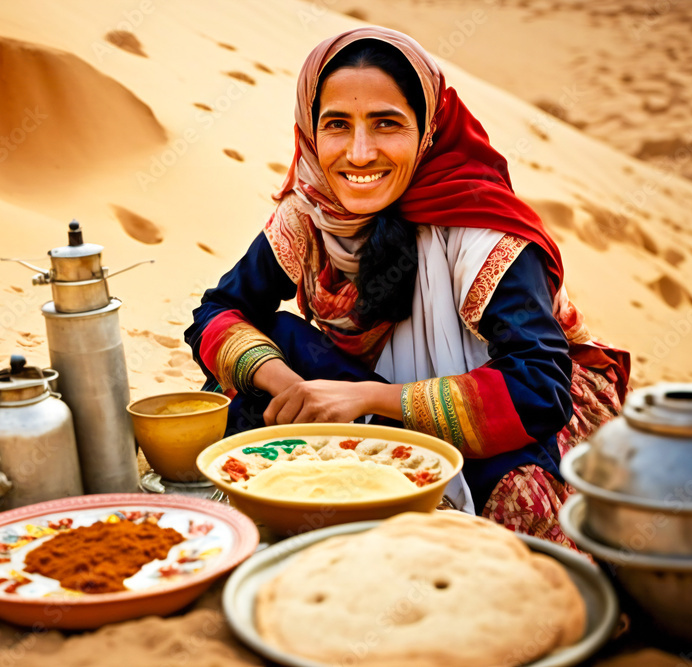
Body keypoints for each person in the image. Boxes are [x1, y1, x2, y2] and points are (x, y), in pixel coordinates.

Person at [184, 27, 629, 548]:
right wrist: (291, 389)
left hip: (500, 421)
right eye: (337, 125)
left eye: (387, 124)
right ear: (309, 129)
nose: (359, 154)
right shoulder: (313, 213)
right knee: (260, 365)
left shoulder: (482, 230)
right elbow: (218, 310)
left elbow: (538, 390)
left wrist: (366, 398)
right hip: (365, 400)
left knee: (512, 500)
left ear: (428, 130)